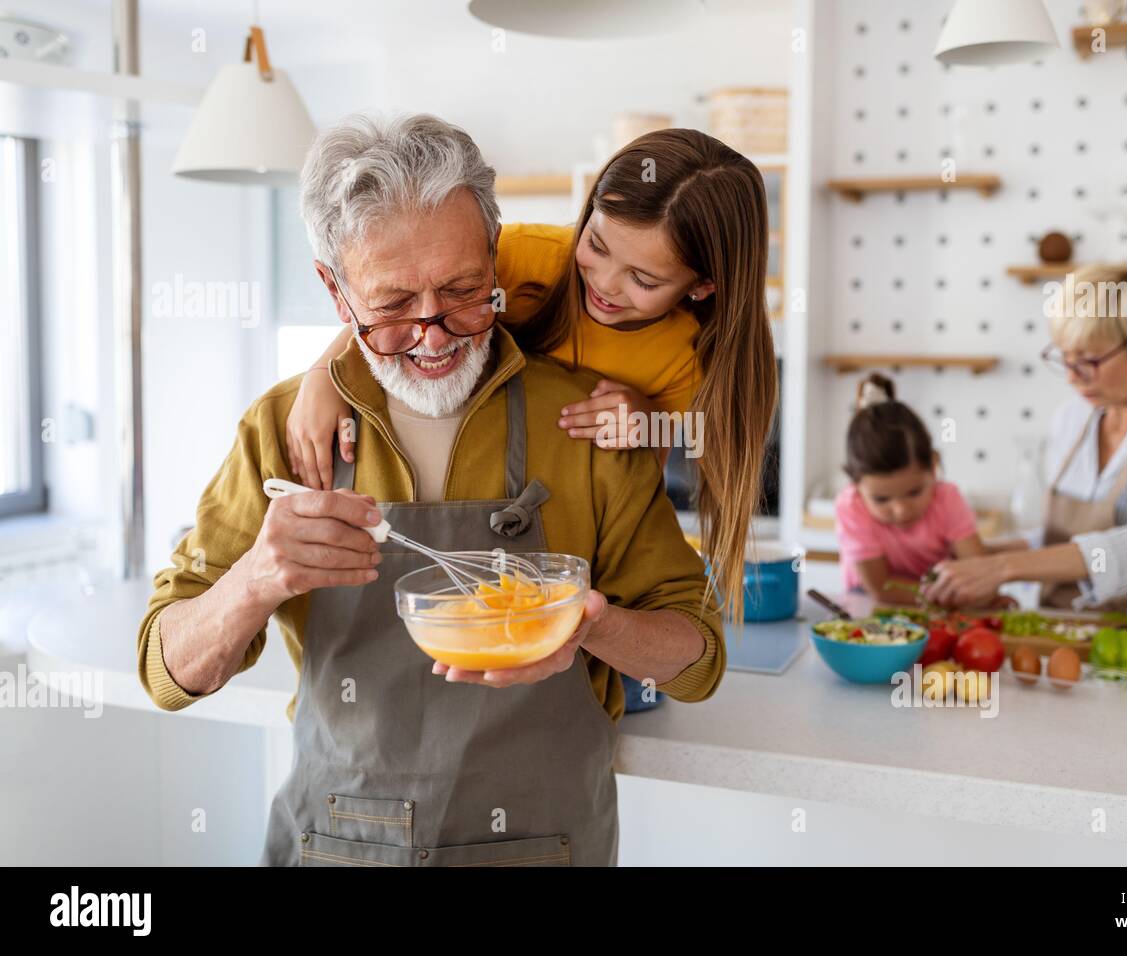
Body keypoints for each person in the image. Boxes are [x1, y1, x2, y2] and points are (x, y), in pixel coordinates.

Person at [136, 113, 724, 866]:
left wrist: (588, 627)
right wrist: (254, 579)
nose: (435, 335)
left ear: (496, 258)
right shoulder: (283, 428)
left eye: (464, 291)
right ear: (334, 291)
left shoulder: (586, 426)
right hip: (340, 844)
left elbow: (700, 657)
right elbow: (165, 669)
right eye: (390, 308)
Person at [285, 127, 779, 621]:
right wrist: (323, 374)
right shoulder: (528, 258)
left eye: (644, 279)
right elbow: (399, 307)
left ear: (702, 286)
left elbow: (632, 515)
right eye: (597, 245)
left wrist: (648, 422)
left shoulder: (687, 360)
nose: (604, 284)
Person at [922, 263, 1127, 621]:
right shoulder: (1071, 419)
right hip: (1063, 623)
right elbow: (1065, 538)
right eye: (1064, 358)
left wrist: (1003, 568)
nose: (1071, 377)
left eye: (1088, 360)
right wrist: (977, 554)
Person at [835, 373, 986, 605]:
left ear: (934, 466)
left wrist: (982, 594)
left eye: (914, 492)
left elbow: (978, 571)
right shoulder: (851, 506)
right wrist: (958, 594)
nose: (901, 509)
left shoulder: (947, 498)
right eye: (881, 499)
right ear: (856, 486)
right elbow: (882, 587)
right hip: (869, 603)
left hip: (939, 603)